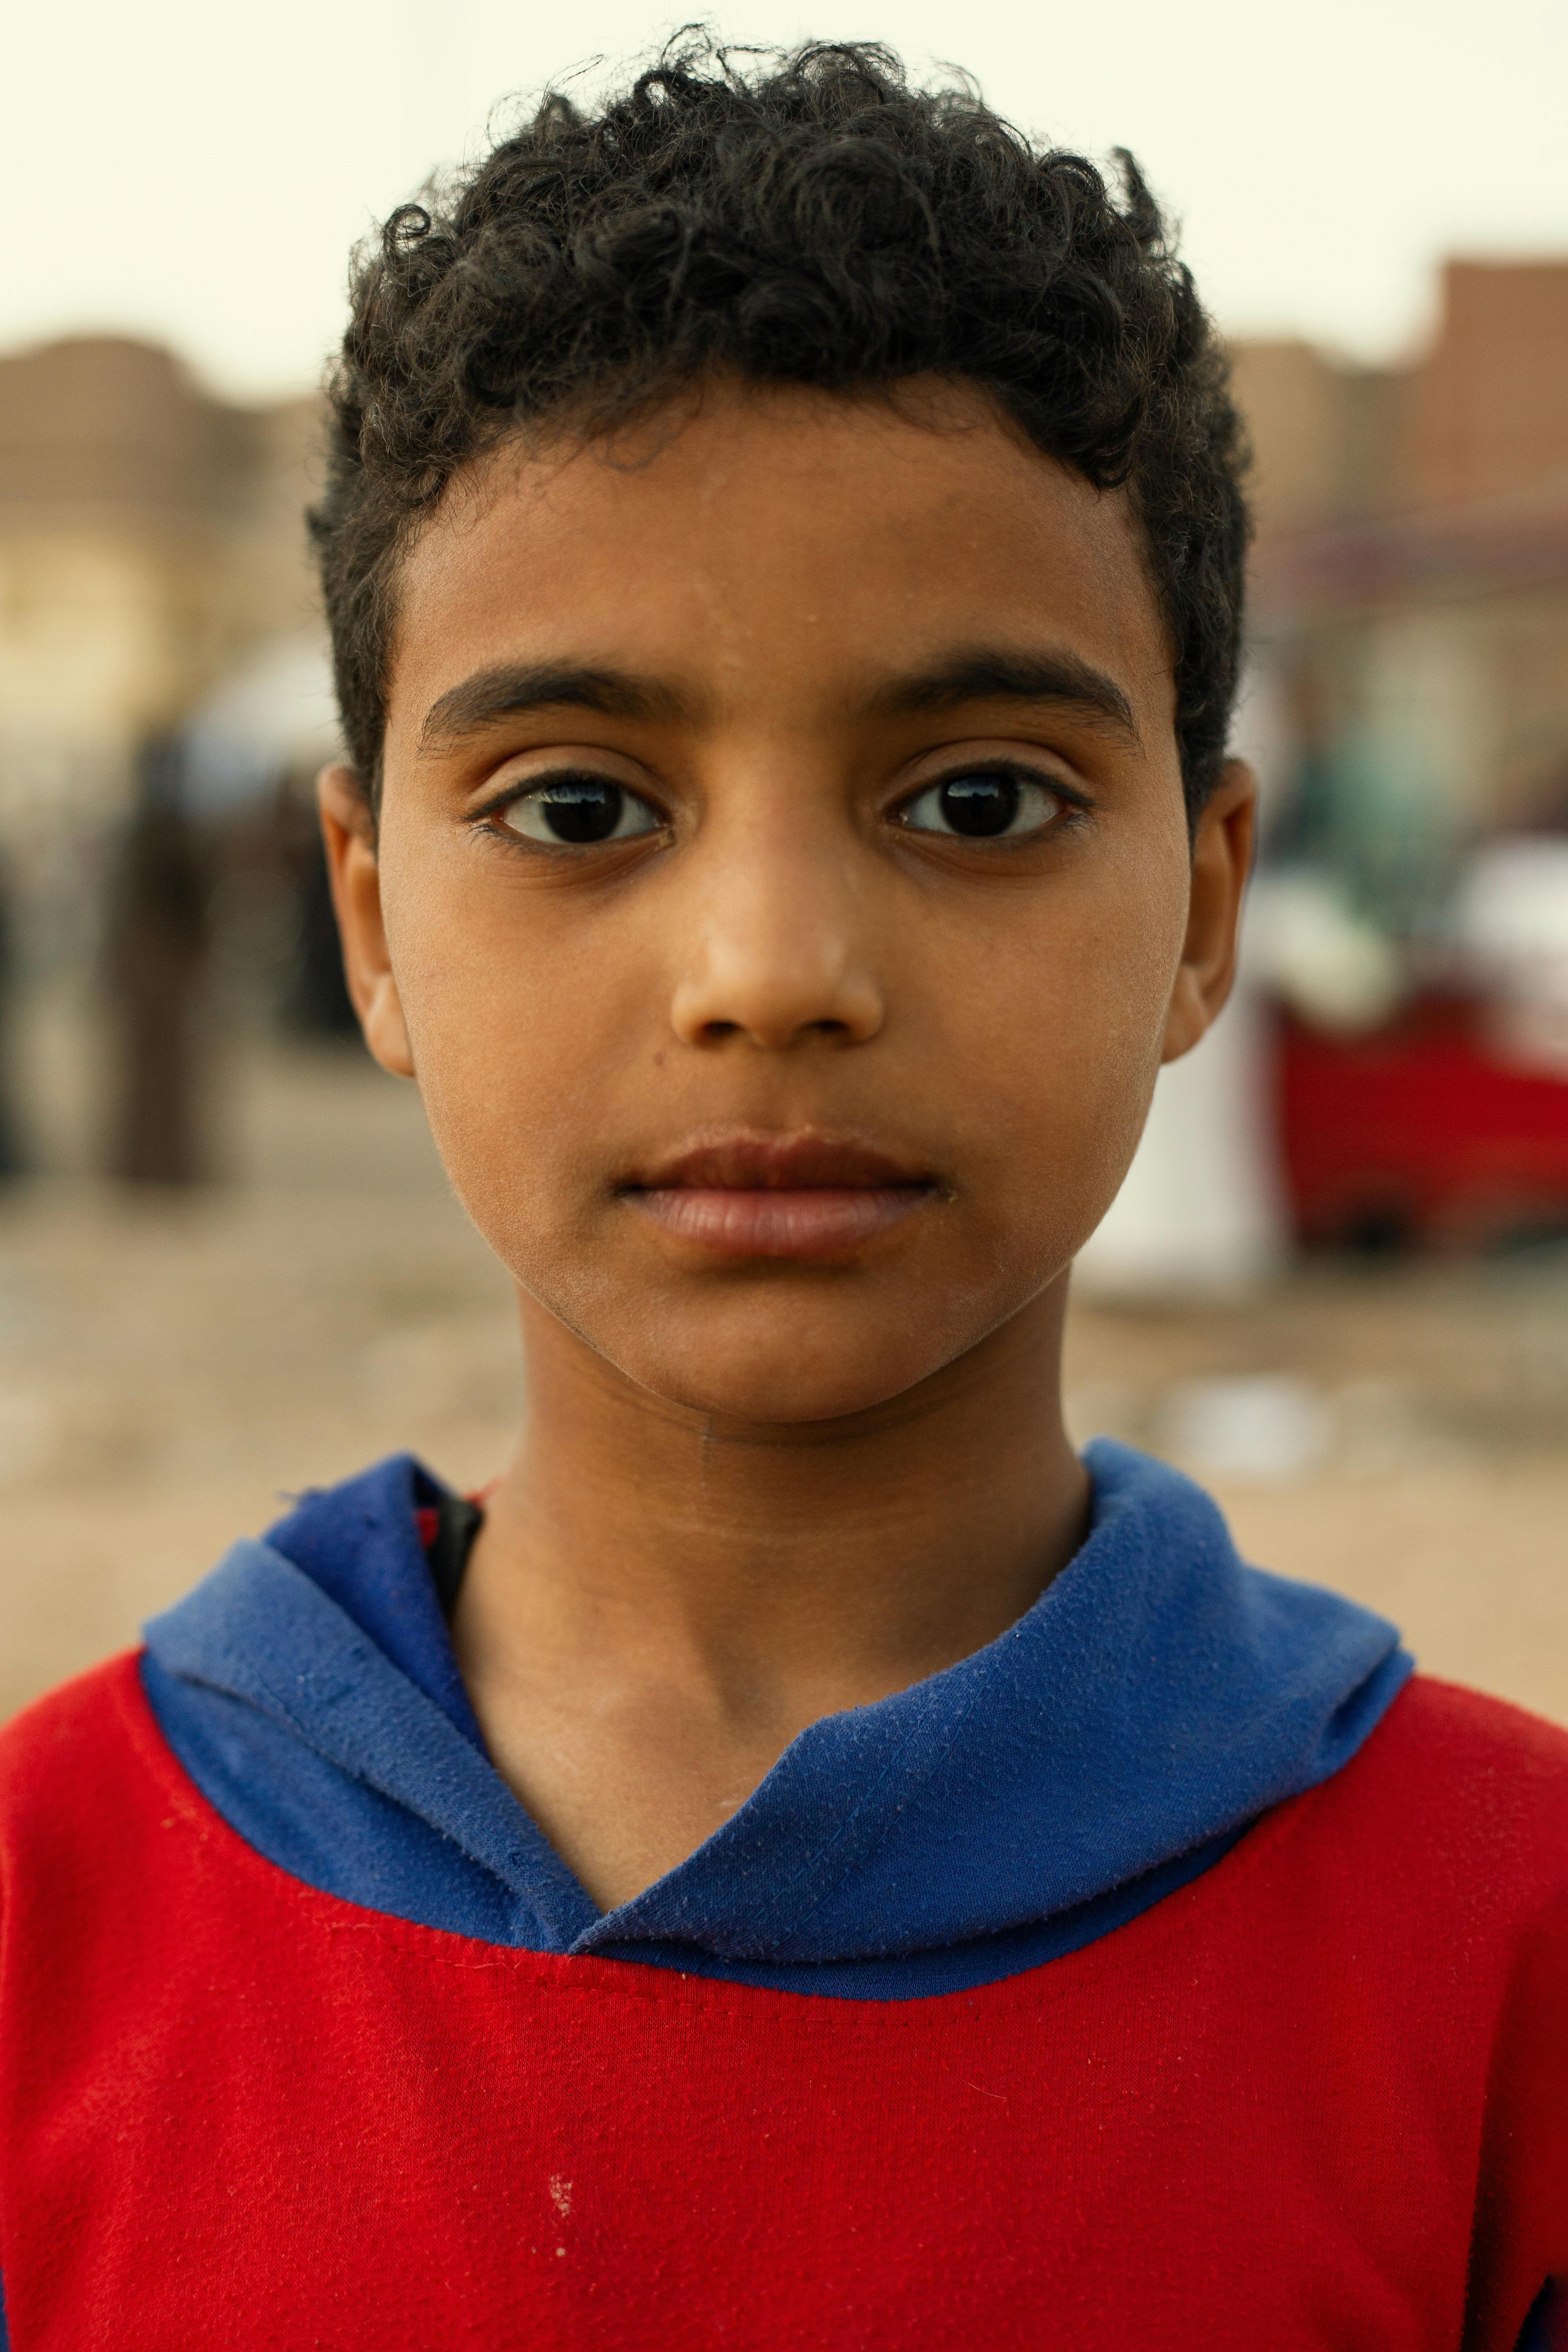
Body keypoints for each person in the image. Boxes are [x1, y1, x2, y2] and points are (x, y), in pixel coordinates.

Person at [0, 41, 1562, 2350]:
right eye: (577, 809)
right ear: (369, 918)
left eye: (980, 802)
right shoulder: (50, 1917)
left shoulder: (1505, 1945)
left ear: (1208, 904)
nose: (769, 971)